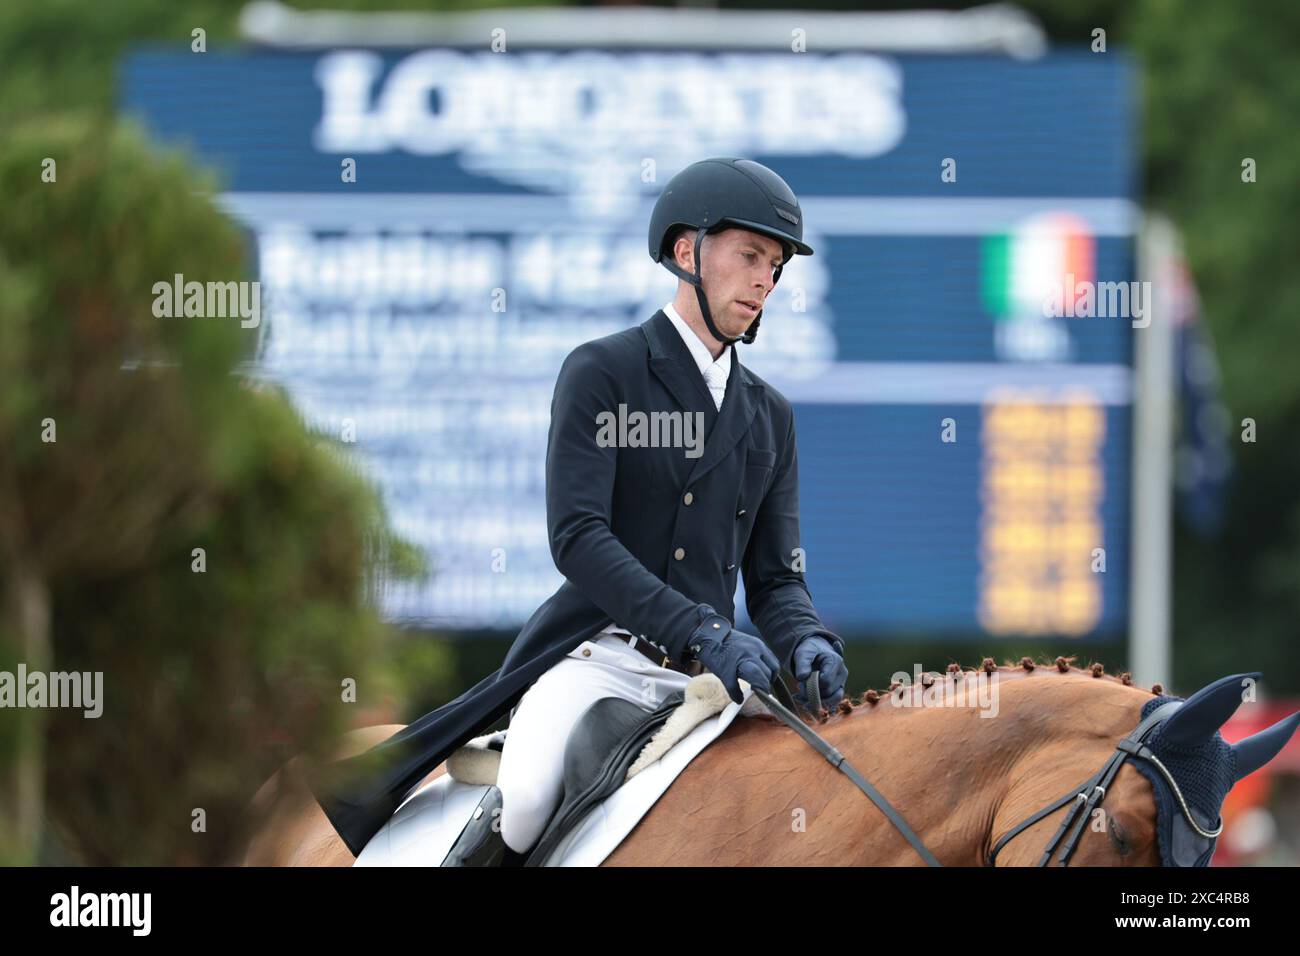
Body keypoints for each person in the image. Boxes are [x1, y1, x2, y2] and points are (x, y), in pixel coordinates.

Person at [442, 157, 849, 866]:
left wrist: (807, 640)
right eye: (751, 256)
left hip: (711, 681)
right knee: (530, 796)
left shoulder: (769, 417)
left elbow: (776, 581)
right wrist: (701, 629)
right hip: (600, 658)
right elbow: (578, 538)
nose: (766, 281)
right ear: (688, 252)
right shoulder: (605, 372)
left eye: (777, 266)